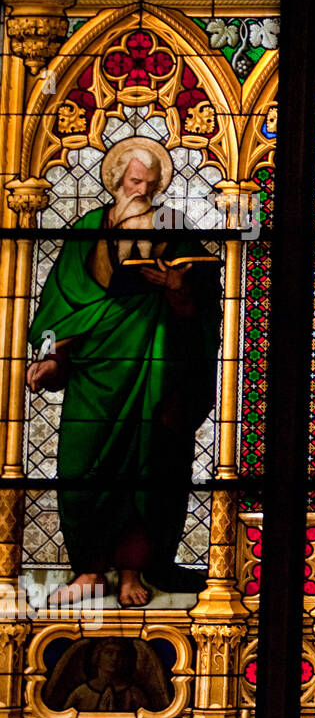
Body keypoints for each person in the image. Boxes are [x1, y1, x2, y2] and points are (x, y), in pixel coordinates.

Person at [27, 137, 220, 608]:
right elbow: (59, 302)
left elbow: (207, 303)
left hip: (156, 369)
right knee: (81, 465)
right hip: (94, 373)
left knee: (148, 465)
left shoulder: (174, 229)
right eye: (135, 181)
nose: (143, 191)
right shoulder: (89, 229)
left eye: (152, 184)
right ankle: (90, 569)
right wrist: (52, 354)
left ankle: (134, 570)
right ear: (115, 180)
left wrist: (177, 290)